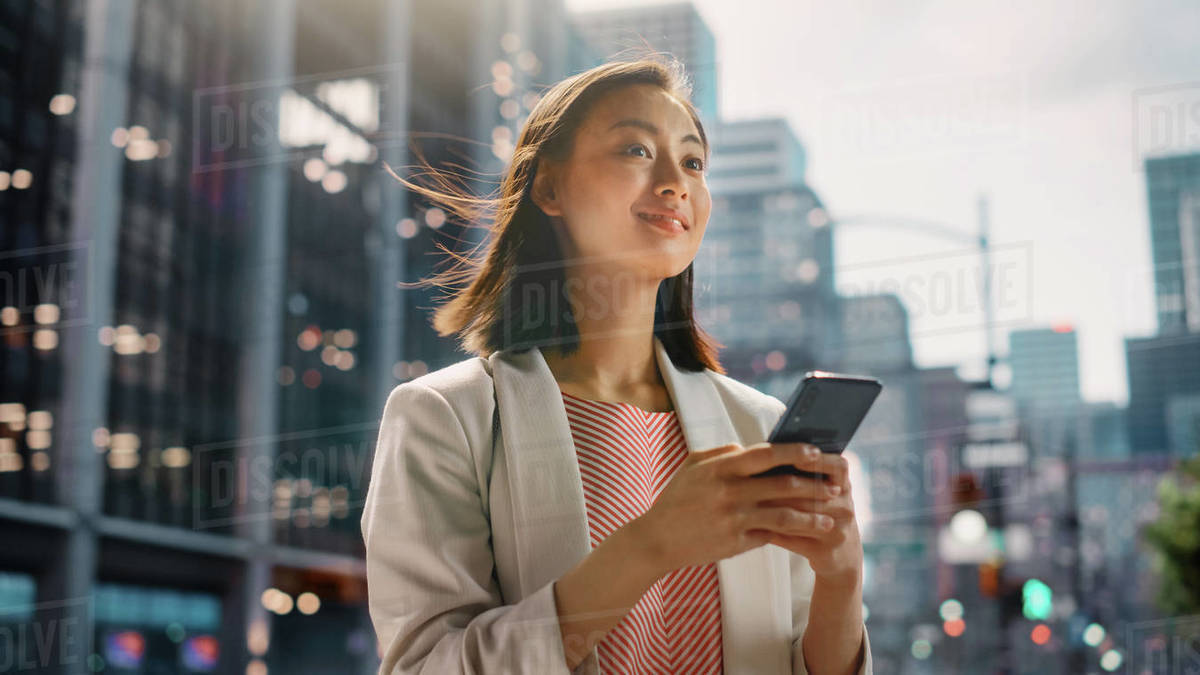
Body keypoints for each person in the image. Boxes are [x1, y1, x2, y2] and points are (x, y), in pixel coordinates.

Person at [360, 54, 872, 674]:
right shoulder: (448, 416)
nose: (675, 182)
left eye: (693, 162)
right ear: (547, 187)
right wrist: (650, 547)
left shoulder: (758, 426)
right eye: (635, 149)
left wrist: (841, 579)